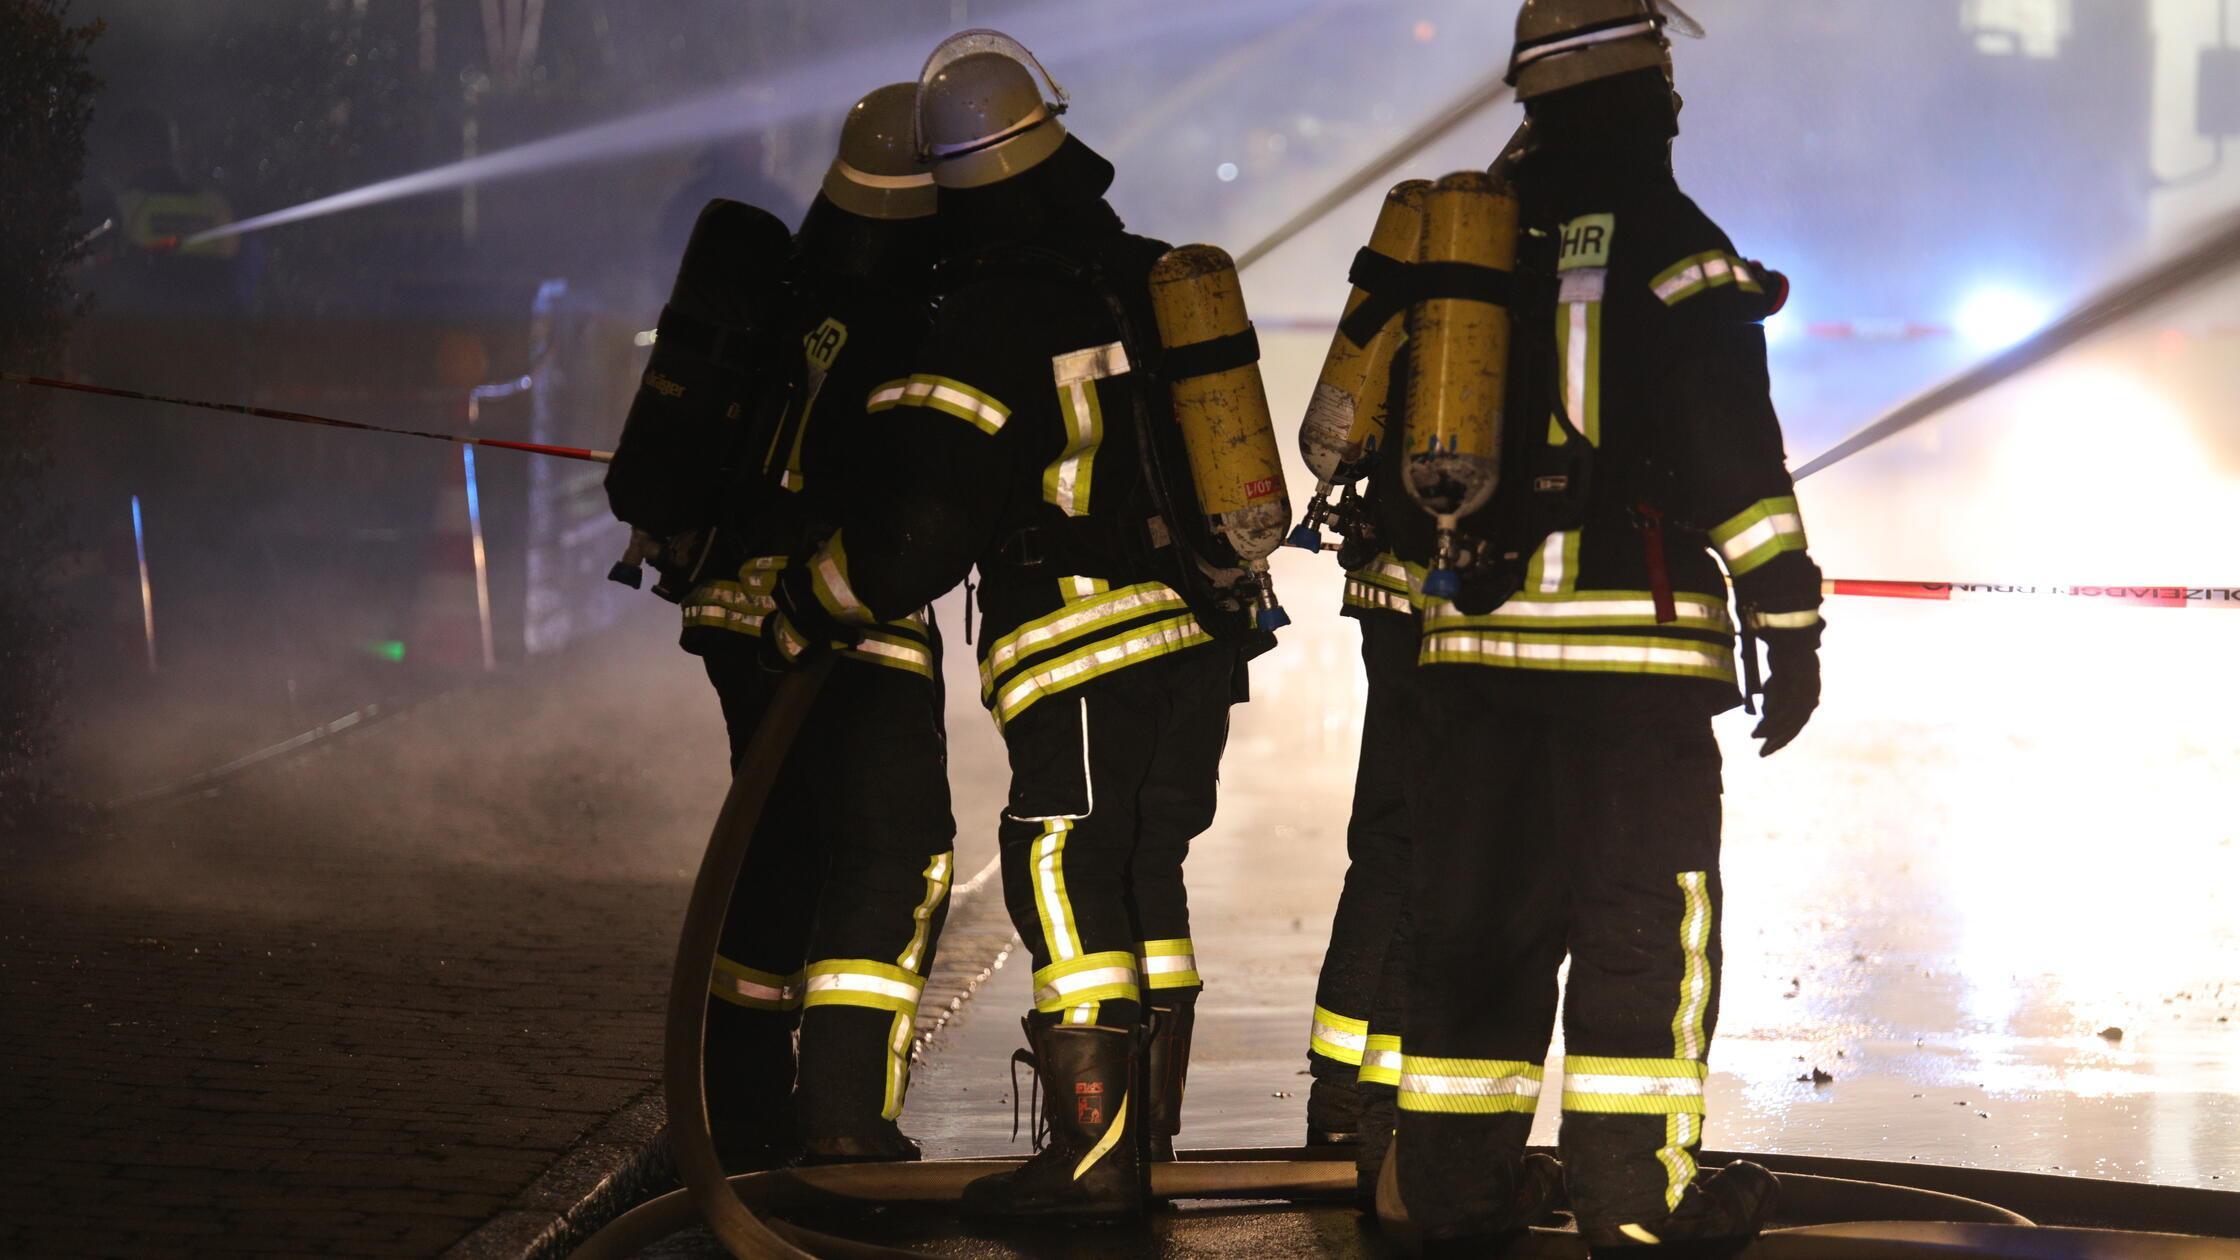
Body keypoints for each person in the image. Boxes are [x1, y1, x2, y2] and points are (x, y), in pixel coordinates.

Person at [762, 31, 1253, 1222]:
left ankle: (1092, 1158)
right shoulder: (1143, 273)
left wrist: (815, 598)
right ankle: (1146, 1140)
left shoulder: (983, 319)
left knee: (1058, 863)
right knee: (1140, 873)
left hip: (1082, 646)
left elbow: (925, 524)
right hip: (1200, 641)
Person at [1393, 2, 1825, 1254]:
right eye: (1665, 78)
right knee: (1643, 926)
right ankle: (1639, 1208)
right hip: (1628, 661)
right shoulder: (1672, 245)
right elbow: (1730, 457)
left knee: (1476, 929)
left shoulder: (1470, 242)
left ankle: (1454, 1193)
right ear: (1642, 93)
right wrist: (1787, 619)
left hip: (1470, 651)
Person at [677, 83, 955, 1169]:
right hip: (840, 620)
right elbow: (925, 486)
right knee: (893, 854)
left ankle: (736, 1110)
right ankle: (841, 1116)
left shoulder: (794, 278)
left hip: (729, 608)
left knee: (776, 853)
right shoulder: (922, 306)